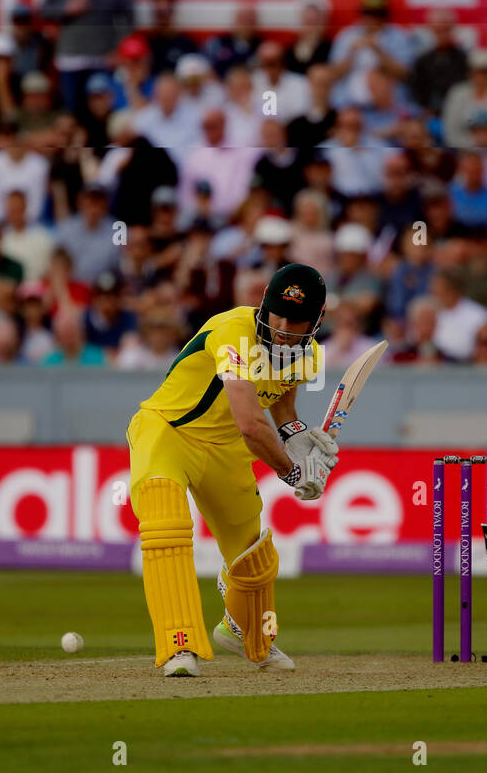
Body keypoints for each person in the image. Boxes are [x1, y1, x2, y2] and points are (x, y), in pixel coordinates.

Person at [126, 263, 337, 676]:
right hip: (169, 432)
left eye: (298, 320)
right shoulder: (232, 331)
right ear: (263, 302)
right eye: (279, 313)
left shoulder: (308, 354)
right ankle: (178, 646)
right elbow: (249, 422)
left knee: (252, 556)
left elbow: (281, 404)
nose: (284, 326)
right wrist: (292, 471)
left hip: (227, 450)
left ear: (318, 320)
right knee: (166, 525)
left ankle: (246, 634)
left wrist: (297, 438)